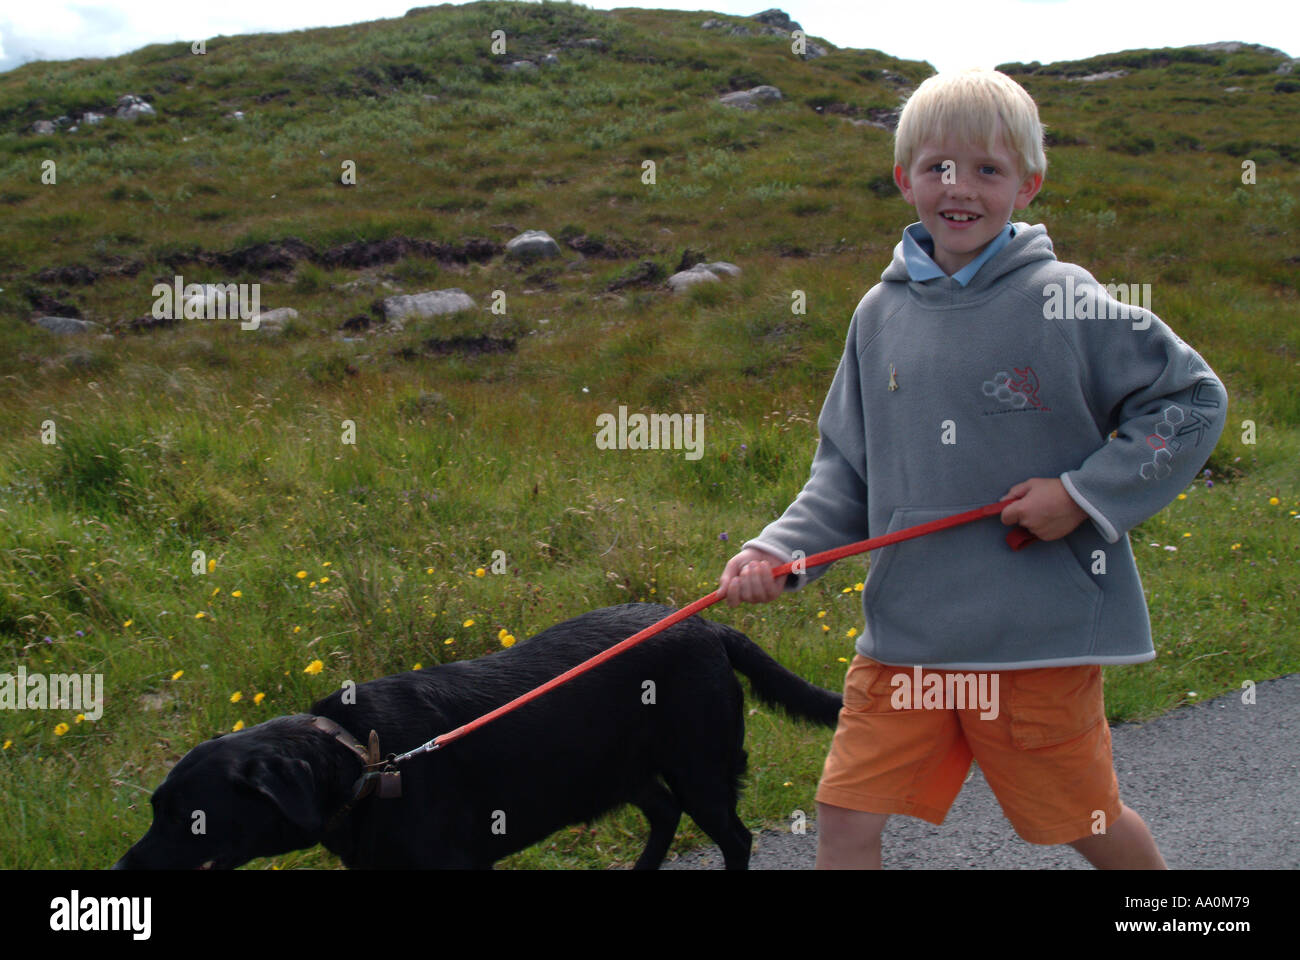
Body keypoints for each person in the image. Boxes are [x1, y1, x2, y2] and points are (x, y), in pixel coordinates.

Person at [717, 68, 1227, 869]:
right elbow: (846, 470)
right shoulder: (877, 314)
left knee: (1084, 821)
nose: (961, 189)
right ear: (904, 179)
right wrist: (781, 551)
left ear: (1028, 184)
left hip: (1036, 643)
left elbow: (1193, 402)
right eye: (939, 167)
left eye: (988, 170)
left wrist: (1082, 494)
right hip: (905, 640)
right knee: (844, 815)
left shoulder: (1067, 299)